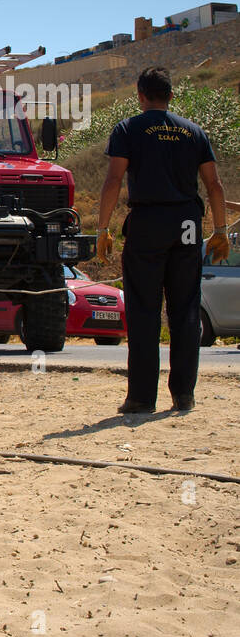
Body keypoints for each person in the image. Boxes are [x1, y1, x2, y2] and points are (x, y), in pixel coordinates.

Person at [96, 66, 229, 414]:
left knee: (144, 310)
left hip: (147, 223)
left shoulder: (128, 129)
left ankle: (141, 397)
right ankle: (183, 394)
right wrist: (220, 230)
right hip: (187, 223)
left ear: (140, 95)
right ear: (171, 96)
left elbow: (114, 180)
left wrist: (103, 228)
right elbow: (214, 185)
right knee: (185, 309)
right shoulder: (194, 132)